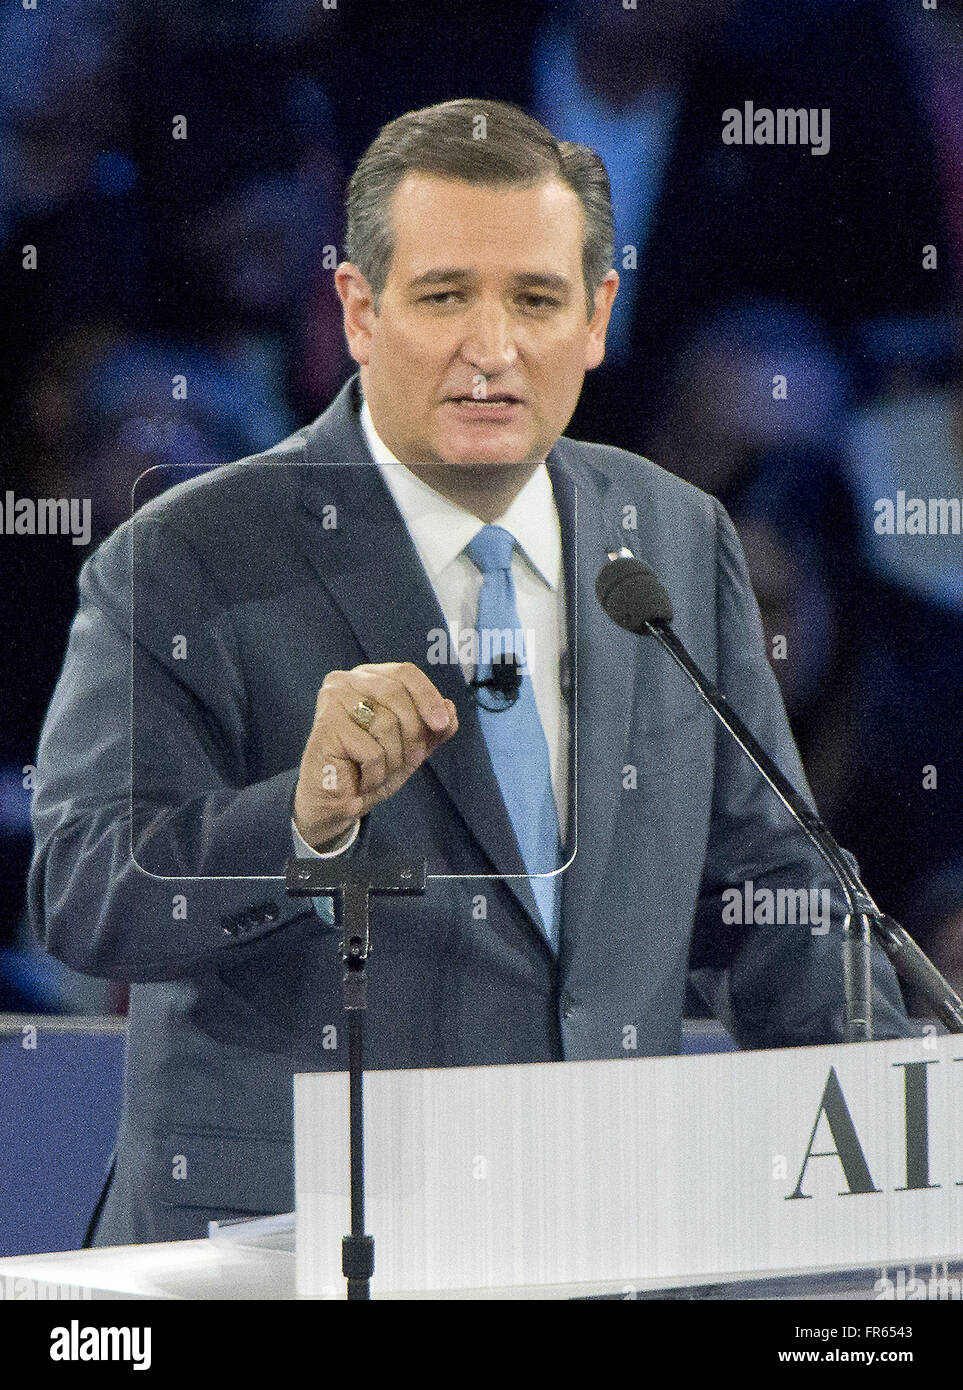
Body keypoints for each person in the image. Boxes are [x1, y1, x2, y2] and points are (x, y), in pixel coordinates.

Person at [29, 99, 916, 1247]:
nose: (492, 349)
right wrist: (299, 819)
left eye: (536, 300)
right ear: (358, 308)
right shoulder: (188, 557)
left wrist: (898, 1115)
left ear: (597, 316)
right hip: (287, 1248)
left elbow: (767, 885)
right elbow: (84, 893)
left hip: (596, 1238)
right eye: (446, 295)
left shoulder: (675, 538)